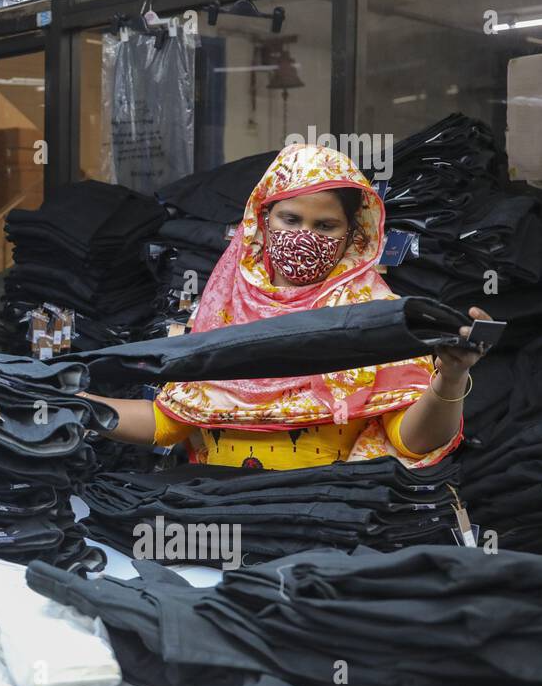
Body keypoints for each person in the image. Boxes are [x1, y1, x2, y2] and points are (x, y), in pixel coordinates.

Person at [94, 143, 490, 469]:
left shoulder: (377, 319)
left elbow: (414, 442)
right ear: (262, 222)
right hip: (221, 517)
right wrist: (69, 401)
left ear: (353, 234)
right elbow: (167, 423)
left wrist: (450, 378)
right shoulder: (223, 312)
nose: (304, 236)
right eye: (290, 218)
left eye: (324, 226)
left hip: (318, 525)